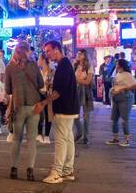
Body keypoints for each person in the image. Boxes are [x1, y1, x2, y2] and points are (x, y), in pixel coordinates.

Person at [41, 41, 79, 184]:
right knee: (68, 139)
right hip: (69, 108)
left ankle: (57, 172)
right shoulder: (64, 64)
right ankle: (67, 170)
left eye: (48, 51)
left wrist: (44, 103)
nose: (47, 54)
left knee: (61, 140)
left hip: (64, 109)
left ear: (56, 50)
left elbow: (59, 91)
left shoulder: (63, 65)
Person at [5, 42, 43, 179]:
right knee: (32, 140)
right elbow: (41, 84)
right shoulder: (33, 65)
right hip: (34, 106)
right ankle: (30, 171)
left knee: (17, 139)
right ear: (27, 51)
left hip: (18, 106)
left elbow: (8, 90)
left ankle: (14, 169)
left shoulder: (9, 67)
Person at [106, 57, 136, 146]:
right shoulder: (118, 73)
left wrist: (123, 88)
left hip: (125, 98)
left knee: (124, 119)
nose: (115, 65)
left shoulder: (127, 74)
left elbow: (135, 85)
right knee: (114, 118)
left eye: (117, 64)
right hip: (116, 98)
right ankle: (115, 138)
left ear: (121, 66)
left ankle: (126, 140)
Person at [75, 50, 95, 145]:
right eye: (77, 54)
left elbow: (87, 81)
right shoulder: (76, 66)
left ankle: (86, 137)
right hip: (76, 91)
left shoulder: (89, 67)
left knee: (86, 116)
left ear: (85, 55)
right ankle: (79, 133)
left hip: (86, 91)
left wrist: (77, 80)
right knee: (75, 115)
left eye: (80, 54)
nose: (78, 55)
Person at [36, 52, 53, 144]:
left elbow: (53, 85)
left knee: (48, 115)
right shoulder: (38, 72)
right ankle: (39, 134)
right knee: (39, 115)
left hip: (48, 95)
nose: (38, 61)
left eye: (39, 59)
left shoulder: (51, 71)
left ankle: (46, 135)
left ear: (43, 60)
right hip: (39, 94)